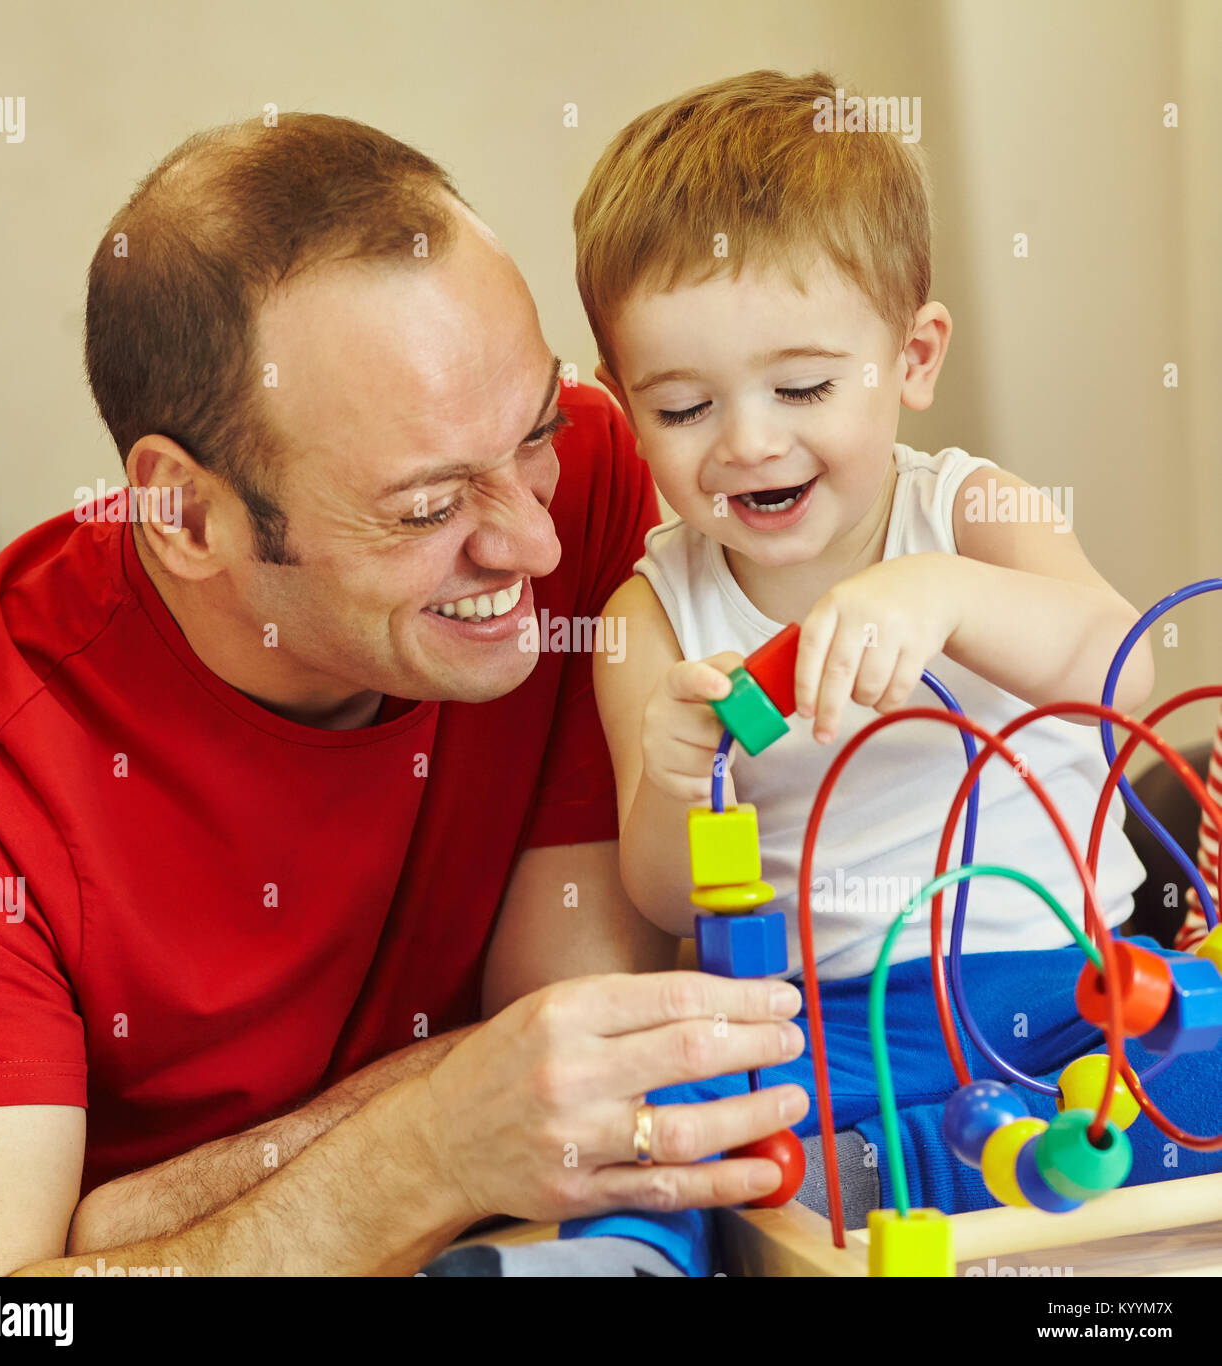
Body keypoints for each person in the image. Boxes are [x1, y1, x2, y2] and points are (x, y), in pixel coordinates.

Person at [0, 113, 815, 1276]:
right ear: (186, 513)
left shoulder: (596, 479)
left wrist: (137, 1221)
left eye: (534, 429)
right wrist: (426, 1153)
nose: (537, 546)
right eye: (428, 510)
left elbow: (576, 1046)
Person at [458, 68, 1222, 1278]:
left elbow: (1120, 677)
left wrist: (957, 594)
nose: (749, 439)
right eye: (683, 406)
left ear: (912, 358)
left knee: (1199, 1036)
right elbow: (662, 894)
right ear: (624, 406)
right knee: (683, 1113)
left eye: (803, 387)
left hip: (1078, 980)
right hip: (828, 1018)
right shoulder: (648, 614)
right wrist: (667, 772)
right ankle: (628, 1256)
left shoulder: (969, 513)